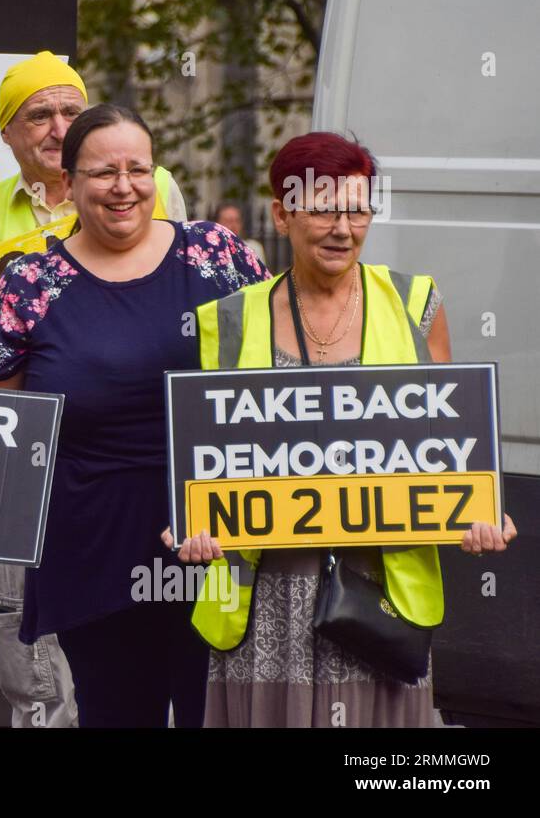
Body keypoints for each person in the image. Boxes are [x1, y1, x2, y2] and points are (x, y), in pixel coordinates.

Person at [0, 103, 267, 727]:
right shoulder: (29, 282)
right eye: (103, 173)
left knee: (219, 716)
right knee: (116, 713)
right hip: (90, 547)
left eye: (138, 169)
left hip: (215, 539)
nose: (124, 187)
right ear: (68, 186)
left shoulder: (217, 254)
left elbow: (280, 374)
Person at [169, 132, 518, 727]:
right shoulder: (227, 320)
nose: (343, 227)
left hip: (378, 601)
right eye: (324, 208)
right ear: (283, 213)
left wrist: (481, 507)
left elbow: (451, 441)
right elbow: (208, 456)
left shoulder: (417, 305)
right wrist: (191, 522)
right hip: (263, 605)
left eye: (357, 209)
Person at [212, 201, 266, 266]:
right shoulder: (211, 250)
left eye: (237, 221)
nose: (233, 225)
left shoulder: (254, 248)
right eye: (228, 221)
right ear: (217, 224)